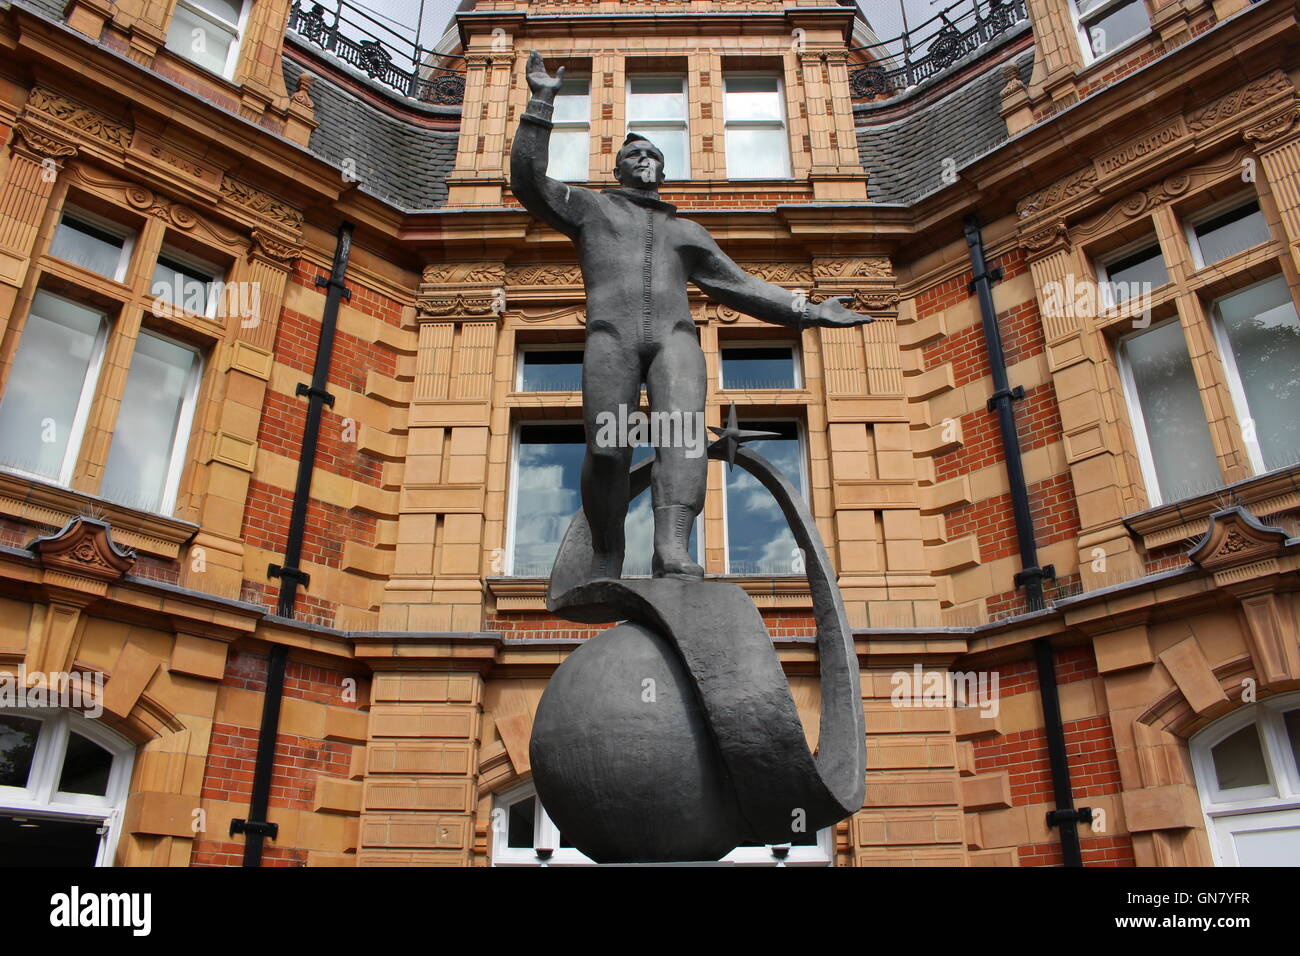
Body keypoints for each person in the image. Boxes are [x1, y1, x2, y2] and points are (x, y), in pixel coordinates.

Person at [510, 51, 871, 581]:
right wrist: (541, 103)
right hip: (611, 339)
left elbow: (740, 285)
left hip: (675, 343)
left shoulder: (687, 232)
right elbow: (528, 180)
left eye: (653, 154)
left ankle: (672, 548)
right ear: (617, 169)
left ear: (664, 168)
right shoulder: (590, 209)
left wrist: (808, 310)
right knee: (608, 447)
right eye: (634, 154)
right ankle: (607, 546)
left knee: (682, 438)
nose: (644, 159)